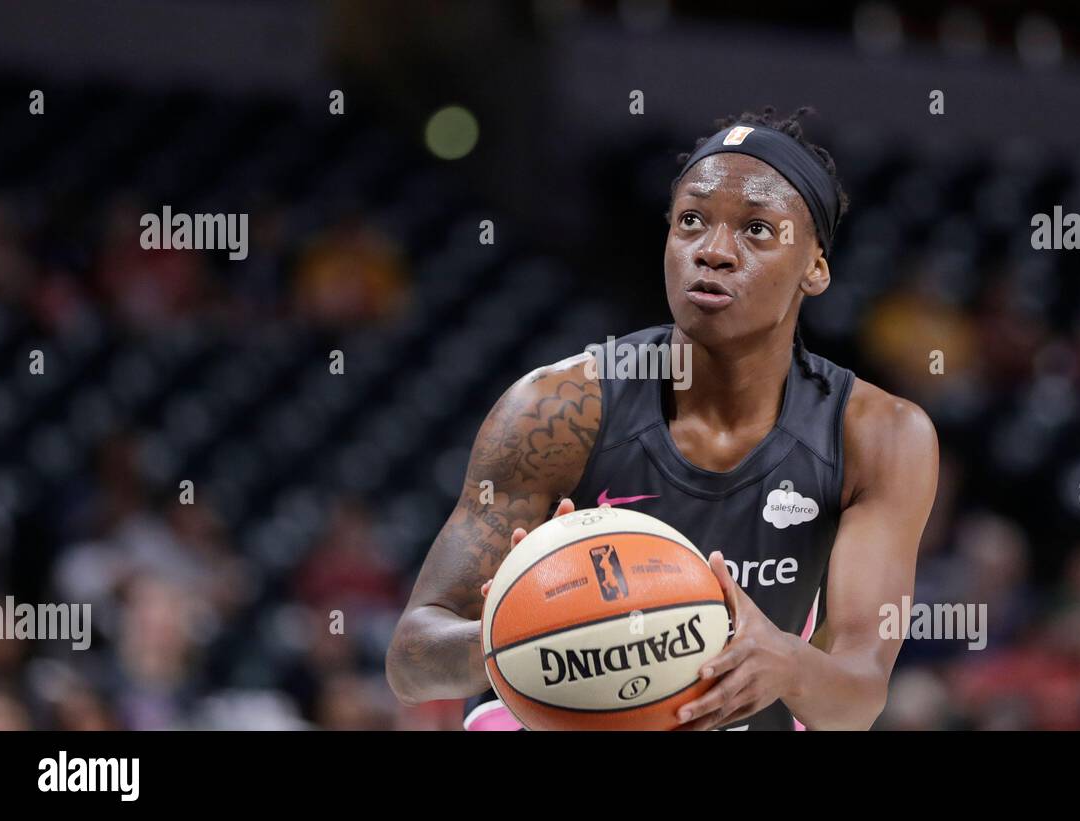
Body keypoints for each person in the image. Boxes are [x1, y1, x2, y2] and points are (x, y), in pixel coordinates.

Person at [386, 107, 939, 730]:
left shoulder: (878, 434)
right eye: (691, 222)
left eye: (757, 230)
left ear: (815, 266)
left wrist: (784, 663)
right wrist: (530, 633)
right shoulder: (559, 409)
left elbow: (858, 696)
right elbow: (411, 662)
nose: (714, 252)